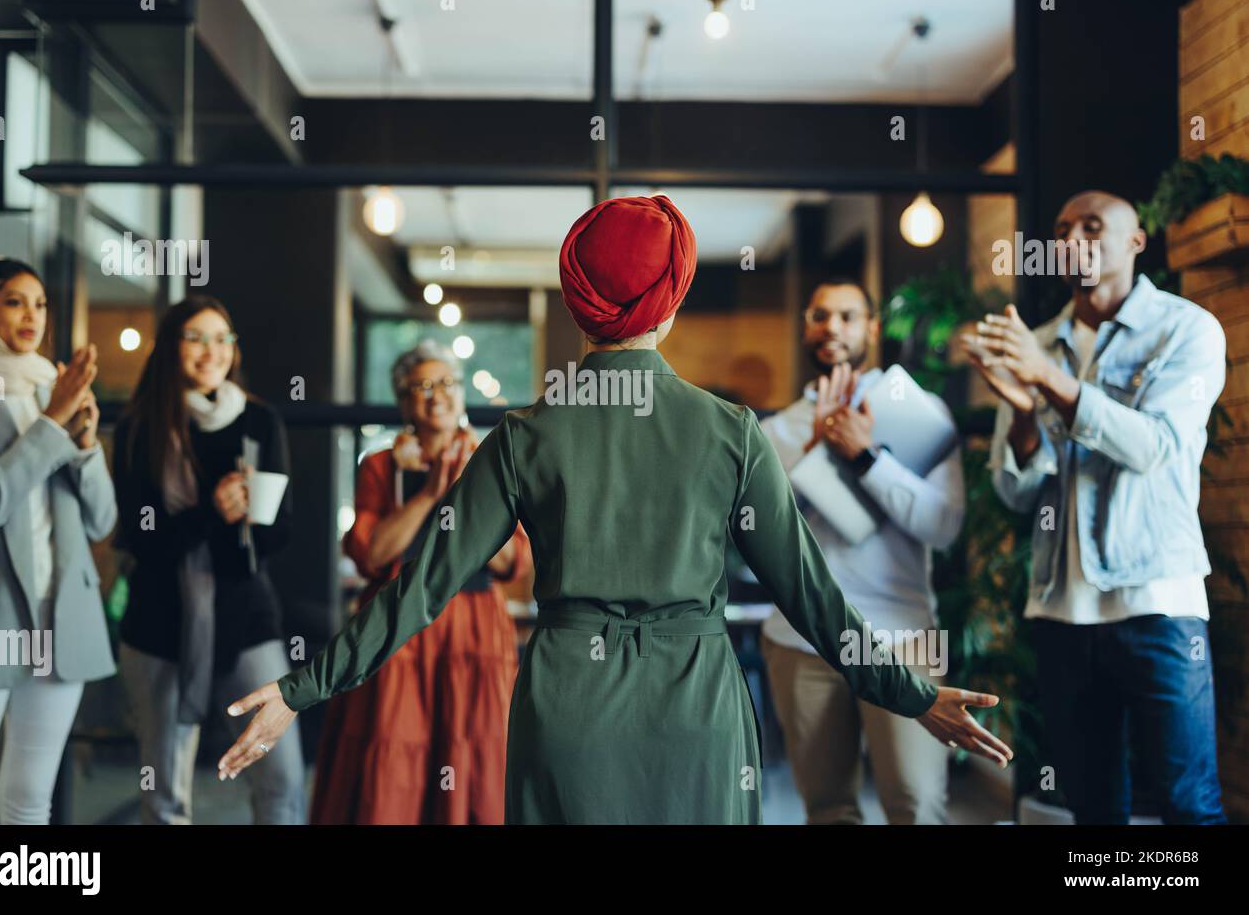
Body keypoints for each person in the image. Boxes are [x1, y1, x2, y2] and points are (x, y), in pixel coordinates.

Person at [220, 195, 1011, 824]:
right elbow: (813, 598)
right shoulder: (731, 432)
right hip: (695, 713)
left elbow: (418, 587)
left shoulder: (525, 433)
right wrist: (914, 693)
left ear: (578, 303)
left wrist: (297, 691)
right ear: (667, 306)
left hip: (568, 711)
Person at [964, 189, 1227, 824]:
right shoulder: (1040, 341)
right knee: (1093, 812)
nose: (1073, 238)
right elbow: (1016, 493)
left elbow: (1156, 447)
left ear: (1137, 241)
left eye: (1092, 225)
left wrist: (1048, 383)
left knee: (1189, 805)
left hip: (1158, 606)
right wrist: (1025, 415)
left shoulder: (1186, 329)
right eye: (1061, 228)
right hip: (1060, 614)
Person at [759, 279, 964, 824]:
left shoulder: (922, 410)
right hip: (801, 641)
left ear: (872, 328)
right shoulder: (776, 432)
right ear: (807, 327)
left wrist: (866, 458)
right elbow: (759, 534)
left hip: (904, 636)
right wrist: (812, 456)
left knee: (917, 805)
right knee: (828, 810)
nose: (833, 328)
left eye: (848, 316)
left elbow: (944, 527)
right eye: (820, 315)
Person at [312, 341, 530, 824]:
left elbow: (512, 561)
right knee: (394, 746)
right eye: (423, 386)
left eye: (447, 383)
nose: (438, 396)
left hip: (474, 629)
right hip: (398, 629)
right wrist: (430, 493)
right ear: (405, 402)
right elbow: (372, 553)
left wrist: (469, 489)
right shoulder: (380, 467)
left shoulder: (491, 460)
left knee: (474, 746)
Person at [113, 296, 305, 824]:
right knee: (165, 791)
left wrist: (251, 518)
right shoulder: (141, 427)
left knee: (282, 777)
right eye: (195, 337)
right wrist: (211, 513)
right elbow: (141, 540)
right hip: (159, 625)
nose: (211, 350)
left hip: (247, 617)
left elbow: (279, 534)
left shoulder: (260, 421)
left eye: (222, 338)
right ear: (171, 347)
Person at [0, 257, 115, 824]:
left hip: (62, 617)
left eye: (40, 303)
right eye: (15, 301)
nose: (32, 315)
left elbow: (102, 520)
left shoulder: (55, 386)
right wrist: (52, 422)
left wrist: (87, 444)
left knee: (29, 802)